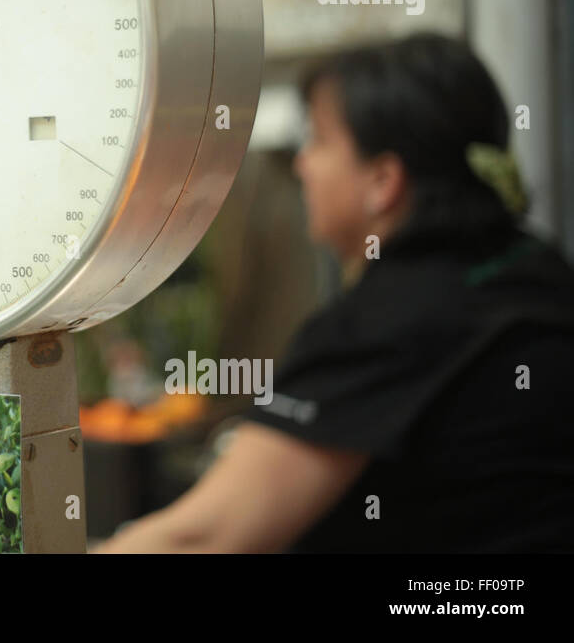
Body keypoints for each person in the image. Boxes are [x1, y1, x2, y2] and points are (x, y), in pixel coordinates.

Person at [96, 32, 574, 553]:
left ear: (383, 180)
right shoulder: (538, 269)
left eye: (320, 140)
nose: (303, 165)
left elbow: (199, 540)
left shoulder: (387, 324)